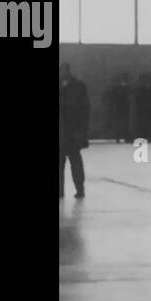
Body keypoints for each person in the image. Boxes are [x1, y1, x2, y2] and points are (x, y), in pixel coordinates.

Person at [59, 63, 89, 199]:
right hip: (65, 130)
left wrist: (82, 130)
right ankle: (64, 191)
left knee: (75, 162)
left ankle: (80, 189)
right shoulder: (78, 86)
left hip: (72, 131)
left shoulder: (78, 87)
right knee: (72, 162)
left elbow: (85, 110)